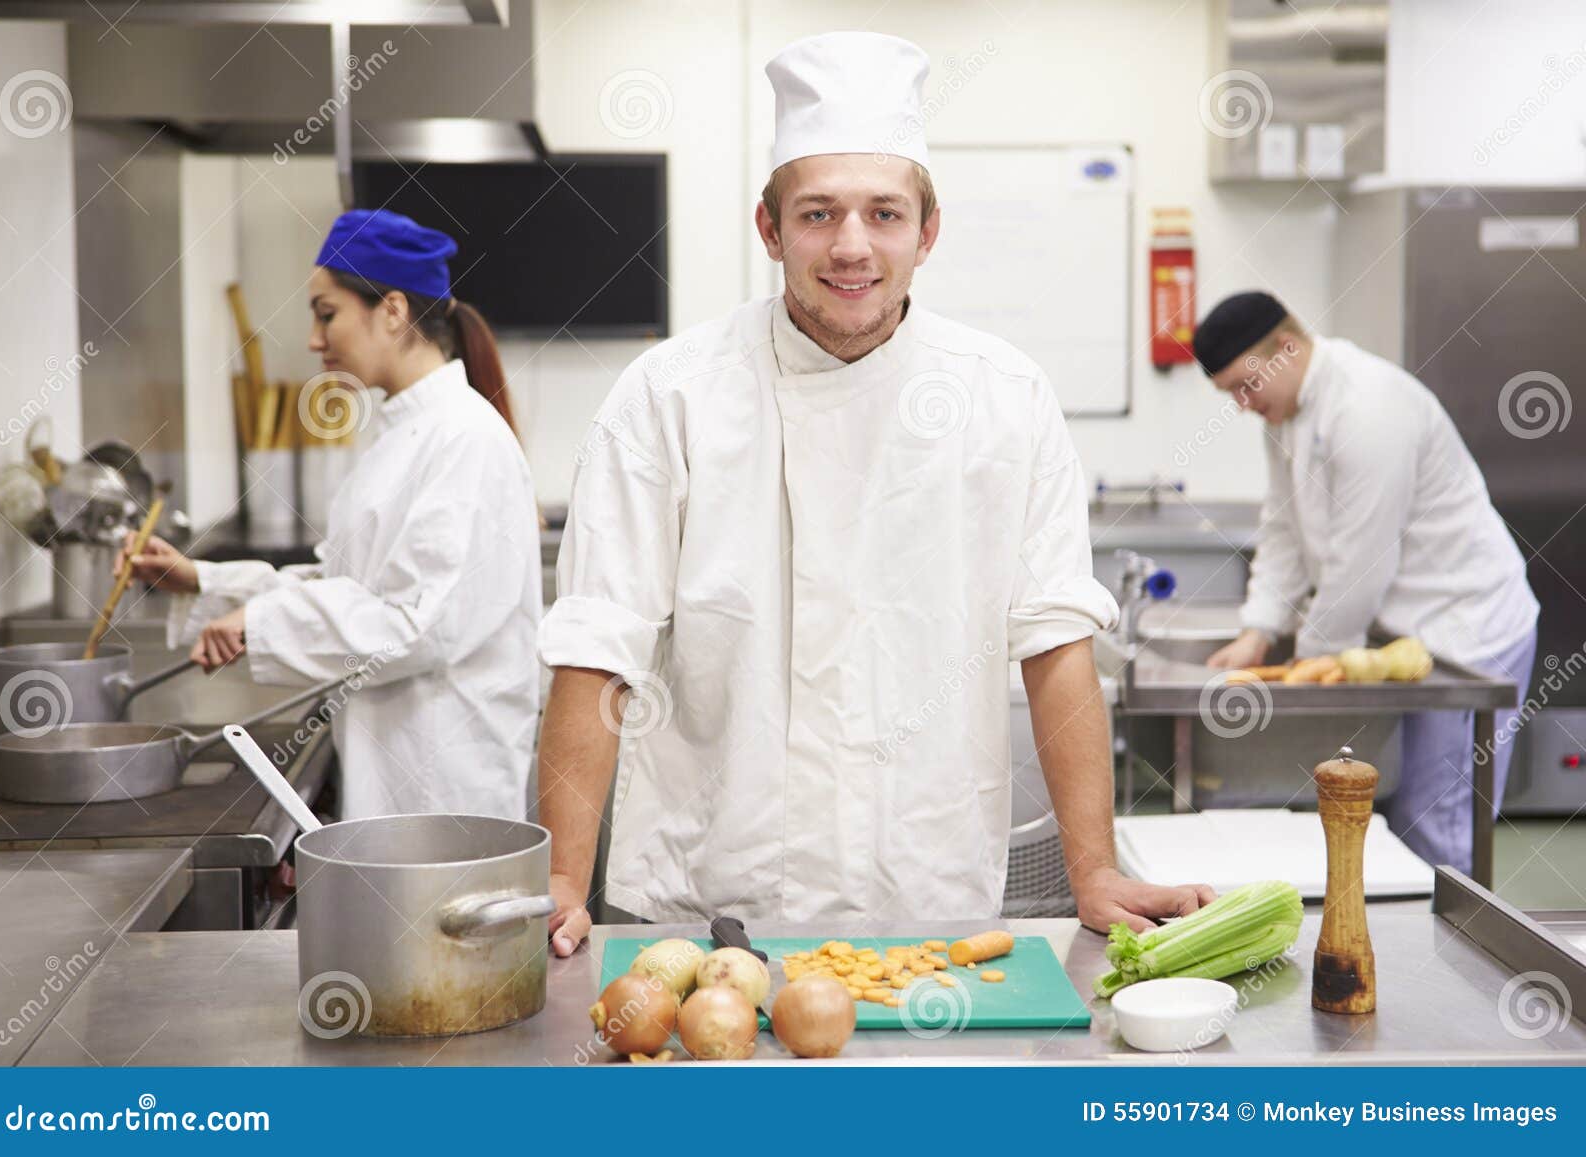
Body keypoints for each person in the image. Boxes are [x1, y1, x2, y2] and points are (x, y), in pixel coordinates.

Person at [538, 31, 1212, 956]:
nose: (851, 246)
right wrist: (563, 882)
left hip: (927, 898)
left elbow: (1055, 642)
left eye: (883, 214)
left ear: (926, 232)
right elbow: (595, 653)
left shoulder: (1004, 399)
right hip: (704, 911)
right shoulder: (668, 399)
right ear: (769, 228)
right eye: (818, 214)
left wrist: (1091, 869)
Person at [119, 208, 543, 821]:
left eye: (326, 314)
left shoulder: (462, 439)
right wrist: (207, 583)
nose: (315, 340)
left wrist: (258, 623)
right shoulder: (401, 436)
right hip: (400, 780)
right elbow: (350, 589)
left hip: (446, 795)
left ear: (392, 311)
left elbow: (417, 627)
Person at [1196, 290, 1538, 872]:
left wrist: (1312, 665)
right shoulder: (1287, 414)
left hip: (1466, 632)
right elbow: (1281, 531)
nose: (1241, 404)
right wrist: (1257, 632)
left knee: (1437, 827)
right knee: (1400, 822)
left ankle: (1442, 959)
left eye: (1244, 385)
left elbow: (1363, 563)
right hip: (1403, 638)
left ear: (1285, 347)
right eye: (1230, 392)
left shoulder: (1369, 407)